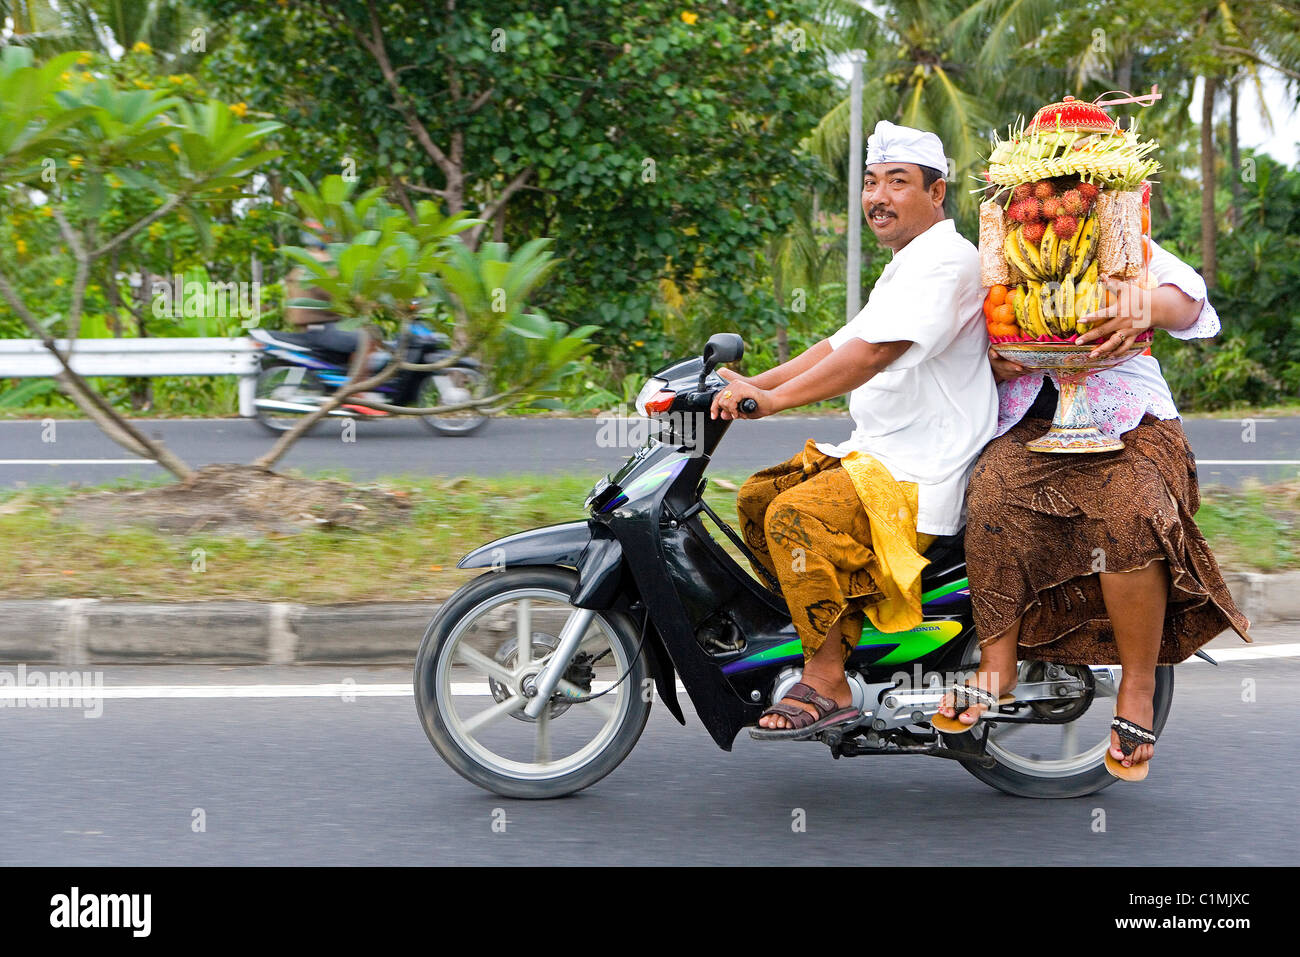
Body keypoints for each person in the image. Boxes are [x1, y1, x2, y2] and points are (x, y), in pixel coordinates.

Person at [712, 121, 997, 738]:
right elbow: (839, 343)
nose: (878, 197)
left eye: (898, 182)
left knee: (795, 517)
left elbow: (873, 353)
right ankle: (834, 636)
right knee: (758, 498)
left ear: (936, 192)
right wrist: (750, 383)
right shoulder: (908, 264)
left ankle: (827, 680)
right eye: (871, 183)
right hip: (880, 457)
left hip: (921, 470)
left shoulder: (947, 261)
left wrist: (773, 401)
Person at [936, 239, 1252, 780]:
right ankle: (997, 664)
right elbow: (961, 345)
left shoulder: (1120, 243)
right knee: (991, 491)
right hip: (1027, 423)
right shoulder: (1000, 254)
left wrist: (1142, 306)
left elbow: (1190, 304)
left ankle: (1138, 686)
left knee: (1130, 507)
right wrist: (992, 361)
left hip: (1130, 420)